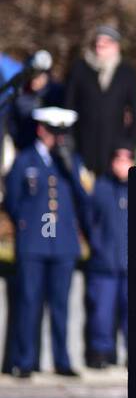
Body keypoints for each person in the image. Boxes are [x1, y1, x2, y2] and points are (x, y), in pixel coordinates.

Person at [3, 107, 92, 377]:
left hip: (63, 244)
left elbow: (83, 199)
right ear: (42, 130)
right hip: (33, 244)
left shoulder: (70, 160)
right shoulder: (25, 160)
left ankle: (62, 360)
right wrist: (27, 225)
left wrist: (70, 168)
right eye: (56, 132)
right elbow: (13, 201)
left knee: (60, 306)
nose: (60, 138)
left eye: (64, 132)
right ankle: (25, 361)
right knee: (29, 303)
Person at [63, 25, 136, 176]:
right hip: (82, 144)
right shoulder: (80, 69)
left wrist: (129, 145)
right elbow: (68, 105)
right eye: (98, 41)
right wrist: (68, 138)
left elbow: (135, 112)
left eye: (106, 42)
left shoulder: (127, 72)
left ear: (116, 46)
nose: (100, 45)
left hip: (113, 145)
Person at [84, 141, 131, 368]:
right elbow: (89, 220)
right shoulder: (101, 188)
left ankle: (134, 354)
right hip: (104, 264)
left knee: (133, 315)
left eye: (126, 159)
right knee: (101, 313)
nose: (122, 165)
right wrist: (97, 245)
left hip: (131, 264)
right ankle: (100, 353)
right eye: (118, 159)